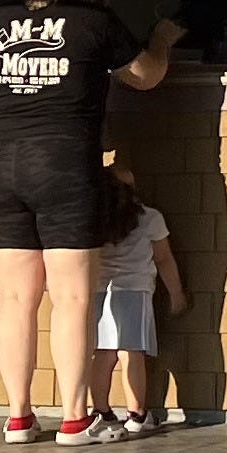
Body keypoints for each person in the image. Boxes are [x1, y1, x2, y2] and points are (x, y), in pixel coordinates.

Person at [0, 0, 183, 445]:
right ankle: (74, 418)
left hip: (0, 165)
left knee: (15, 297)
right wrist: (162, 40)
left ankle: (19, 417)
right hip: (65, 166)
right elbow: (146, 77)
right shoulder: (94, 21)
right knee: (71, 297)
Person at [90, 167, 187, 438]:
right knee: (131, 352)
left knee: (103, 353)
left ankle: (101, 411)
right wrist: (177, 294)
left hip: (100, 290)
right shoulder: (149, 218)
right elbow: (163, 258)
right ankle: (137, 414)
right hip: (134, 290)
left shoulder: (94, 219)